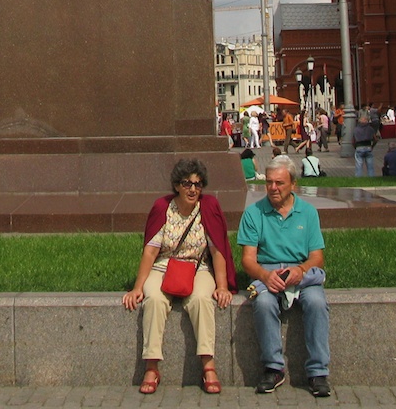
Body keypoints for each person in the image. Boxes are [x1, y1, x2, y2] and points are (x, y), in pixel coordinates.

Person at [121, 158, 236, 394]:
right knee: (153, 300)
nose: (193, 189)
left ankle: (208, 366)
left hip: (197, 268)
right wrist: (137, 287)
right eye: (187, 183)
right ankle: (152, 367)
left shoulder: (208, 207)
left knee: (202, 300)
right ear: (176, 185)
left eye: (198, 184)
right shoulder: (163, 208)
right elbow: (151, 250)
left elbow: (217, 250)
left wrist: (222, 286)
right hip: (164, 266)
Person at [237, 155, 331, 398]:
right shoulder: (253, 213)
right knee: (264, 302)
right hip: (267, 271)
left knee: (317, 302)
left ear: (293, 185)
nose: (273, 188)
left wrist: (300, 271)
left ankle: (318, 371)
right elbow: (248, 259)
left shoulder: (308, 213)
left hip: (300, 272)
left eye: (279, 183)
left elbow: (316, 258)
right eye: (269, 182)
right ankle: (273, 368)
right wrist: (266, 276)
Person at [352, 112, 377, 178]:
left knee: (359, 165)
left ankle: (359, 178)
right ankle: (371, 177)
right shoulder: (370, 129)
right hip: (368, 146)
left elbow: (353, 141)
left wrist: (355, 147)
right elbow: (375, 139)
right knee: (370, 165)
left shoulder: (356, 129)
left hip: (359, 147)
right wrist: (372, 146)